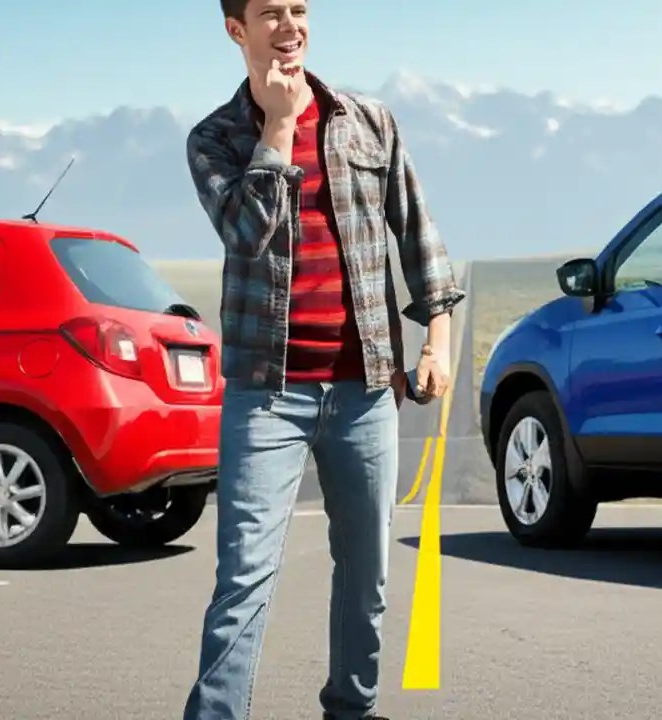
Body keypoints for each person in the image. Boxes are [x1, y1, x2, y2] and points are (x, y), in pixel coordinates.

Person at [182, 0, 465, 718]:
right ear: (235, 30)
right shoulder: (214, 139)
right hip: (264, 395)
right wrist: (276, 128)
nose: (289, 25)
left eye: (300, 8)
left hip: (365, 389)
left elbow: (418, 233)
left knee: (367, 578)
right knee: (243, 578)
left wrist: (437, 339)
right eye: (270, 12)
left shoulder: (368, 122)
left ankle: (352, 708)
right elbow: (248, 235)